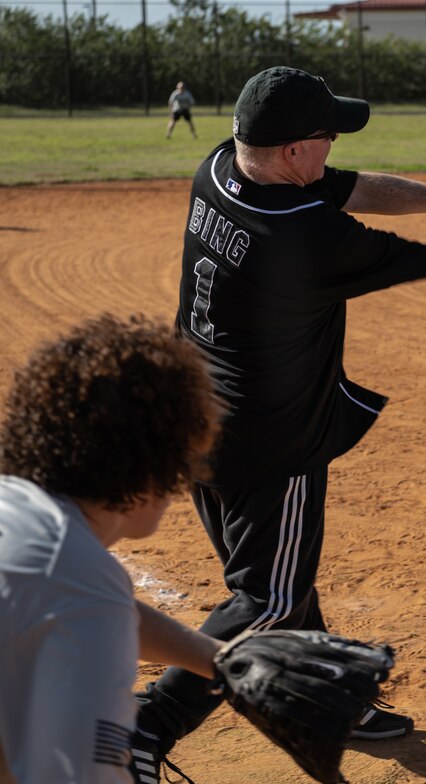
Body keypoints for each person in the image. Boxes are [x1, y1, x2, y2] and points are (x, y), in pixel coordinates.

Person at [128, 65, 426, 781]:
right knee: (270, 598)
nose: (332, 147)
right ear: (294, 151)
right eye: (324, 136)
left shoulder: (221, 170)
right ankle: (147, 726)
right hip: (270, 442)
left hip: (194, 418)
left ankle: (327, 697)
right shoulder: (303, 237)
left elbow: (354, 184)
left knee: (281, 577)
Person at [0, 314, 224, 784]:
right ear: (147, 477)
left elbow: (77, 604)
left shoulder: (18, 508)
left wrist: (220, 661)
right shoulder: (74, 577)